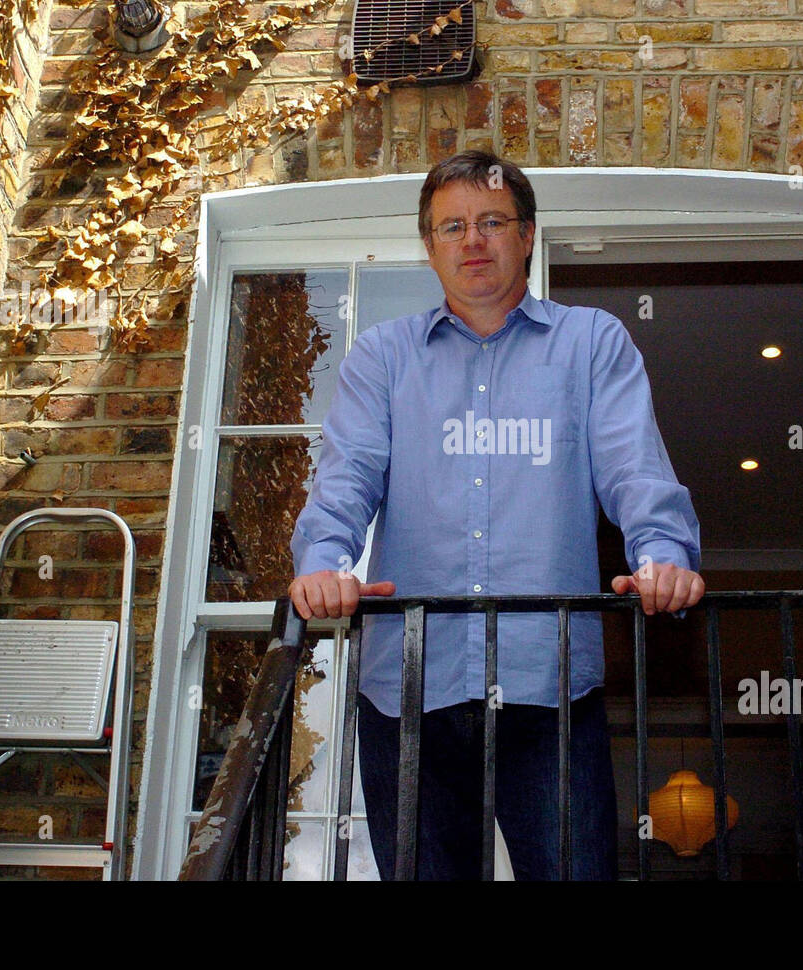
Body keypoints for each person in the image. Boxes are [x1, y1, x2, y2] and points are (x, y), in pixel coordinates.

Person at [288, 150, 703, 880]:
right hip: (406, 693)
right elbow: (346, 479)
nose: (472, 241)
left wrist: (661, 553)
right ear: (430, 247)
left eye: (491, 222)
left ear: (528, 235)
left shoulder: (592, 343)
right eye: (452, 227)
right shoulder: (381, 359)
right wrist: (325, 565)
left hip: (549, 691)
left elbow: (634, 469)